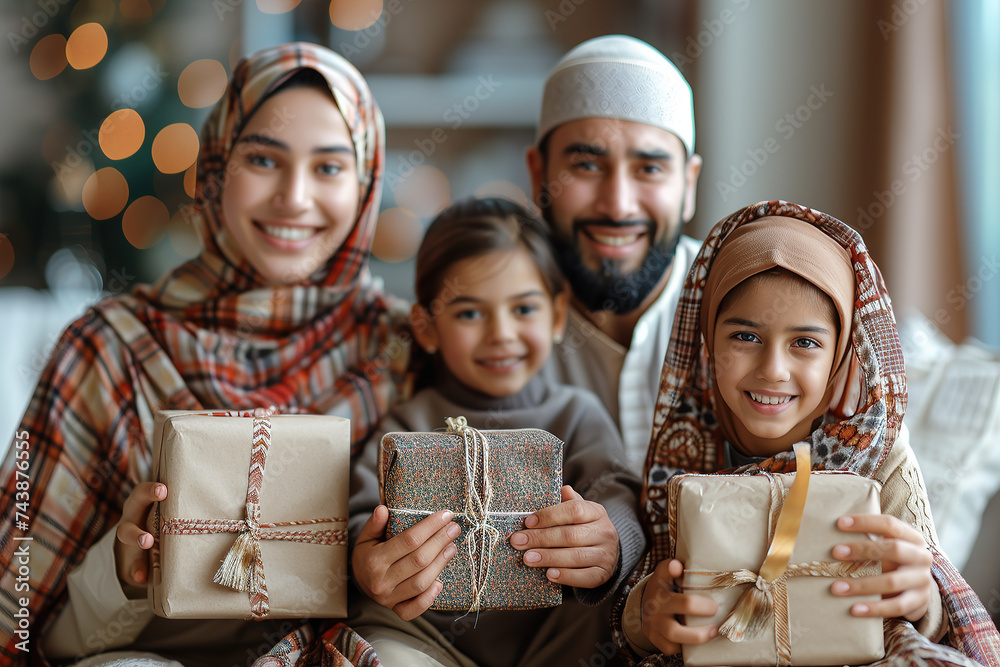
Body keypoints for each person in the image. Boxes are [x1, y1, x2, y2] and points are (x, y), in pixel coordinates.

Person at [0, 43, 410, 666]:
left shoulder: (405, 348)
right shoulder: (109, 346)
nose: (294, 197)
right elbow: (19, 626)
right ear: (215, 169)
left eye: (329, 167)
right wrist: (123, 575)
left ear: (366, 184)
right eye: (263, 159)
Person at [613, 200, 1000, 665]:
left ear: (841, 356)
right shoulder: (682, 450)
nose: (773, 370)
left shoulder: (878, 456)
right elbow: (645, 607)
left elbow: (926, 603)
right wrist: (645, 615)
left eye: (805, 343)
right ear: (707, 341)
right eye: (746, 337)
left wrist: (922, 601)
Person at [348, 197, 645, 667]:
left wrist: (610, 542)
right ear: (426, 327)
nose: (501, 334)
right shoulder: (408, 426)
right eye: (469, 313)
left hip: (554, 639)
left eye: (523, 309)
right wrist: (365, 563)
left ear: (557, 314)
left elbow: (619, 490)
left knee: (610, 616)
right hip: (424, 636)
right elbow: (362, 517)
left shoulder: (576, 414)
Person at [527, 34, 703, 474]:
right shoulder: (488, 321)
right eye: (587, 165)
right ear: (538, 175)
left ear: (689, 184)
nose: (618, 205)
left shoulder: (749, 307)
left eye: (650, 168)